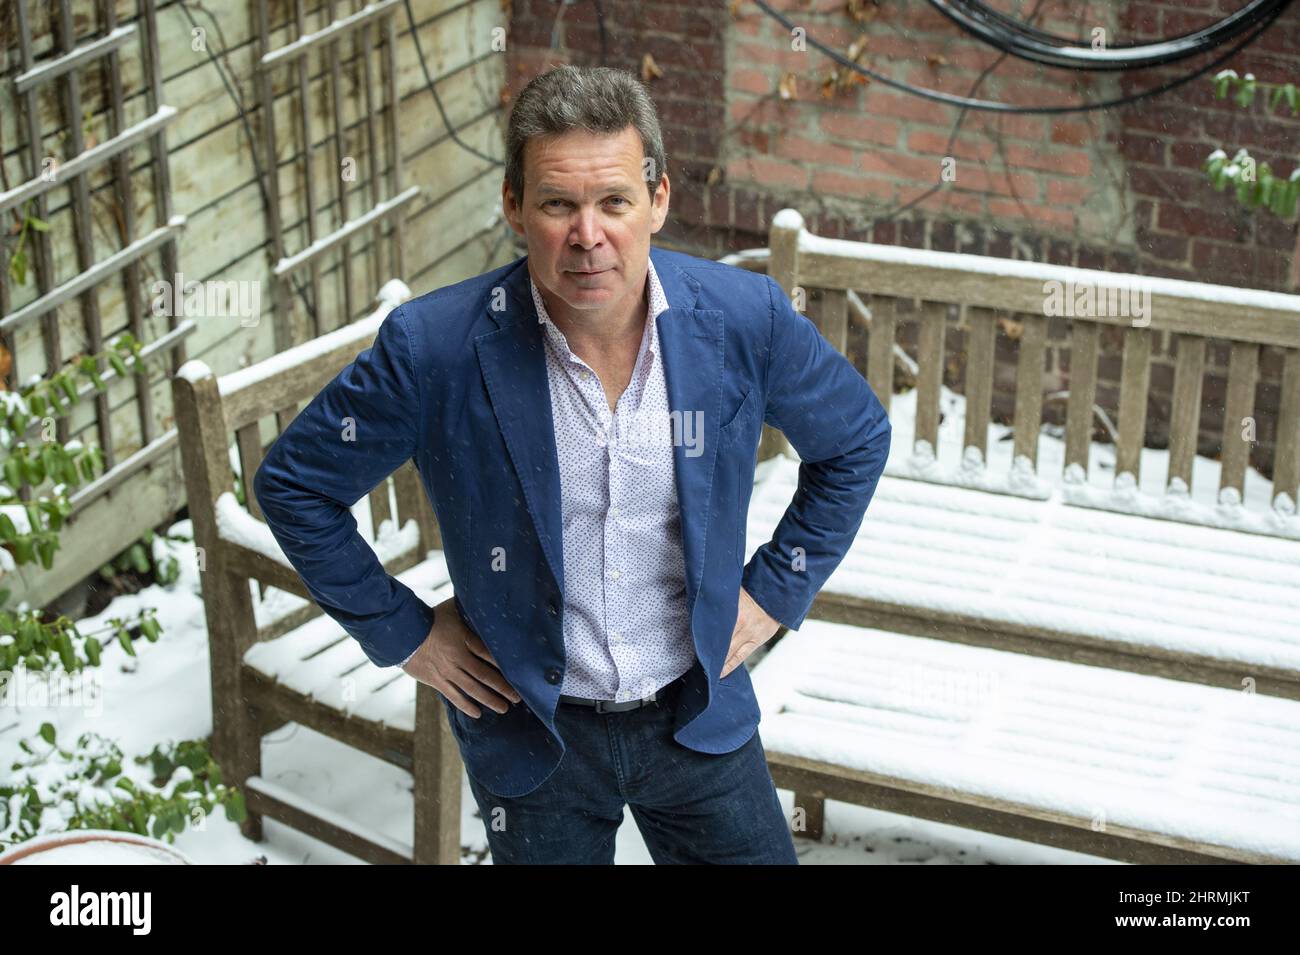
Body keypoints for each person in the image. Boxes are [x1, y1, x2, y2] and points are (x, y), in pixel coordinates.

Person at [253, 64, 892, 865]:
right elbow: (295, 485)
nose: (588, 234)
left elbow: (855, 438)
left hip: (699, 716)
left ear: (657, 201)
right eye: (558, 203)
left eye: (614, 201)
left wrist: (772, 591)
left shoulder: (744, 319)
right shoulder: (435, 348)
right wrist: (405, 631)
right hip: (533, 736)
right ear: (515, 208)